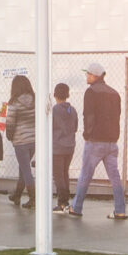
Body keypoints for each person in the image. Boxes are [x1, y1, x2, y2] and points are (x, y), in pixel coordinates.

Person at [75, 62, 126, 219]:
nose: (86, 76)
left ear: (94, 75)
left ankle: (76, 207)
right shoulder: (115, 93)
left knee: (85, 174)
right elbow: (117, 116)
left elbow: (88, 116)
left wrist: (87, 134)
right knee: (114, 177)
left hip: (95, 140)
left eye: (88, 74)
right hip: (112, 142)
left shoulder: (91, 92)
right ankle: (120, 210)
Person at [4, 76, 39, 209]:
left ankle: (33, 199)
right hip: (34, 140)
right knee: (23, 168)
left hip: (21, 141)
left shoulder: (14, 102)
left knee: (25, 169)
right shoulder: (36, 99)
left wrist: (10, 136)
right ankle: (17, 195)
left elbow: (10, 122)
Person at [49, 82, 79, 211]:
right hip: (70, 146)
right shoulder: (72, 110)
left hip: (57, 147)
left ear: (55, 95)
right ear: (67, 94)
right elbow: (76, 127)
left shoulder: (54, 110)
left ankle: (62, 202)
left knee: (58, 175)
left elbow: (49, 128)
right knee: (64, 173)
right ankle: (65, 201)